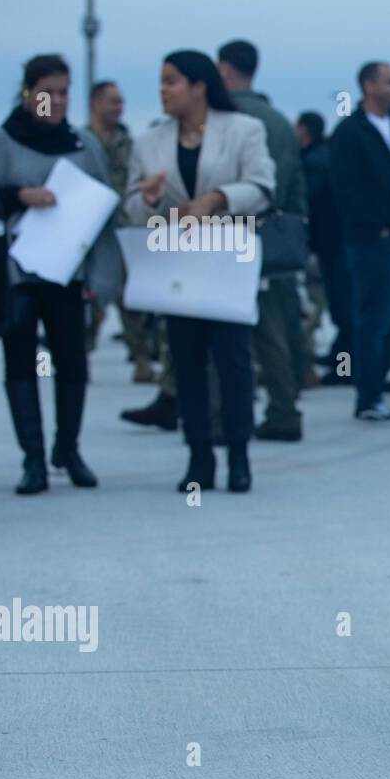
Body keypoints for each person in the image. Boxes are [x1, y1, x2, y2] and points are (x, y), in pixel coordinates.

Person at [123, 50, 275, 492]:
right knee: (185, 362)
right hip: (177, 266)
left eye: (172, 81)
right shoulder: (149, 141)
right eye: (161, 81)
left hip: (228, 262)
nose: (163, 89)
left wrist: (218, 198)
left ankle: (240, 455)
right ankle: (199, 457)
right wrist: (148, 200)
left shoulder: (245, 129)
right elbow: (131, 209)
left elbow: (264, 187)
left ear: (199, 86)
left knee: (234, 363)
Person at [0, 53, 122, 494]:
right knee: (20, 363)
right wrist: (18, 195)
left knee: (72, 361)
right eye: (49, 92)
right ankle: (33, 460)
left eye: (66, 92)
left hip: (68, 275)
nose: (59, 100)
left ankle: (67, 448)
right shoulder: (4, 140)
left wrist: (102, 277)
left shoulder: (84, 144)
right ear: (29, 93)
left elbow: (105, 214)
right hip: (18, 274)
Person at [218, 39, 309, 441]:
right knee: (274, 330)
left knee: (222, 333)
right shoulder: (278, 120)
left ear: (223, 69)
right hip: (269, 238)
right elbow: (294, 186)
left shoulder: (222, 117)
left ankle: (221, 417)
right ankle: (284, 411)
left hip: (224, 236)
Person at [328, 60, 390, 421]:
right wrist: (374, 227)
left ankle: (378, 392)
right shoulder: (350, 132)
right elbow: (345, 187)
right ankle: (367, 395)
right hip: (370, 242)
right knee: (373, 317)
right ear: (369, 85)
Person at [88, 80, 147, 376]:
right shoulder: (80, 141)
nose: (118, 108)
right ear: (96, 102)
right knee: (89, 298)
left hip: (123, 227)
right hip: (88, 233)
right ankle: (78, 358)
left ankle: (142, 360)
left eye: (121, 102)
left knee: (131, 297)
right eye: (113, 101)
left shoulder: (131, 144)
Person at [296, 111, 352, 387]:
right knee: (340, 308)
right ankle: (339, 361)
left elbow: (310, 205)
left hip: (330, 246)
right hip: (337, 244)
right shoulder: (324, 159)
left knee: (340, 309)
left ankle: (342, 366)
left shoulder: (312, 164)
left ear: (304, 131)